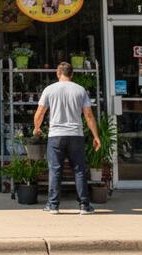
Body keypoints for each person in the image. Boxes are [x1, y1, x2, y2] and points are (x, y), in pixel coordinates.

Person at [33, 62, 100, 214]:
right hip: (76, 135)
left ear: (58, 73)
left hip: (56, 135)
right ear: (72, 74)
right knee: (79, 170)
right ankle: (84, 205)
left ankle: (53, 205)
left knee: (55, 170)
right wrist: (96, 136)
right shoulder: (80, 90)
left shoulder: (49, 90)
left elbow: (40, 112)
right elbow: (88, 115)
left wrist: (37, 128)